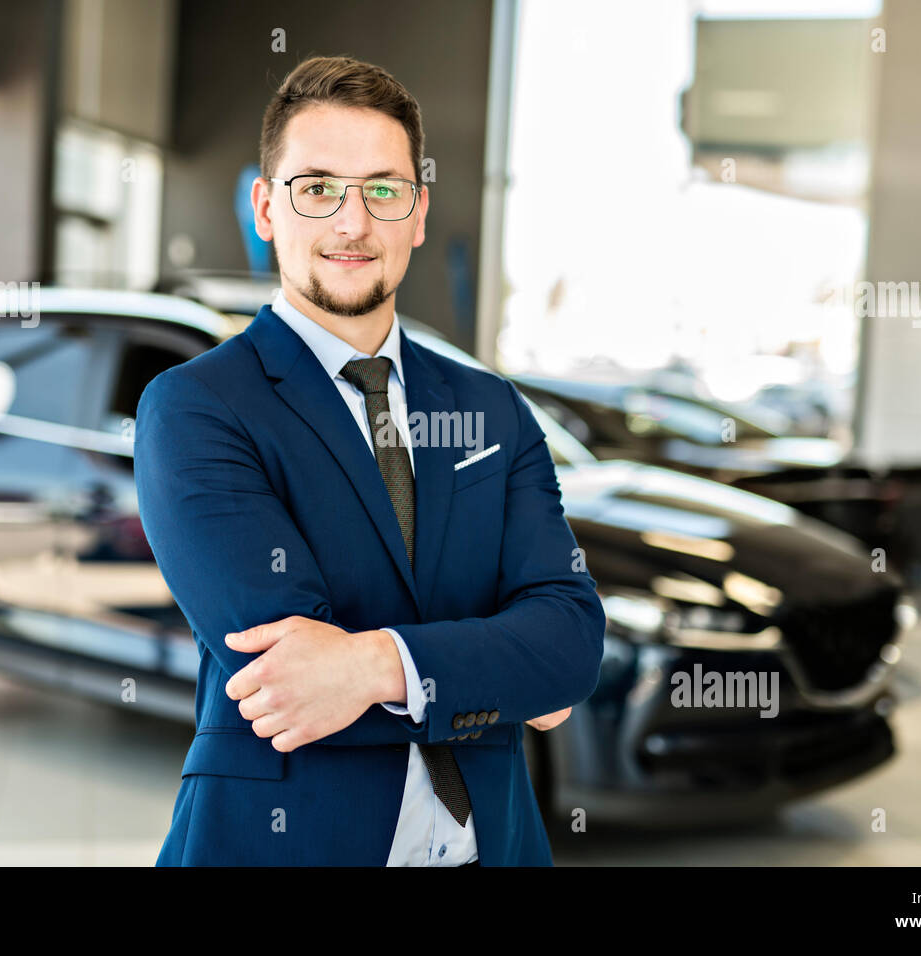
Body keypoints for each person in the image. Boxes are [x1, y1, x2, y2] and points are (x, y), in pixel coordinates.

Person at [136, 55, 604, 866]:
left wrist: (376, 663)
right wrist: (503, 673)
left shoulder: (490, 408)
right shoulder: (197, 408)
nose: (353, 223)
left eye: (382, 190)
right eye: (317, 187)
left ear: (417, 214)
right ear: (265, 209)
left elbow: (570, 641)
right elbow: (291, 679)